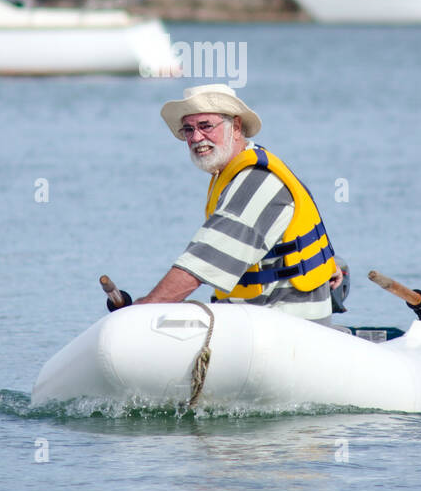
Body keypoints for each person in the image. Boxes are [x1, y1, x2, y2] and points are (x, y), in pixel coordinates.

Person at [108, 84, 348, 323]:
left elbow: (204, 261)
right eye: (188, 129)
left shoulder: (255, 180)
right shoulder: (237, 171)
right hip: (264, 320)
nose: (196, 137)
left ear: (235, 127)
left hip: (287, 325)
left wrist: (147, 308)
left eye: (205, 126)